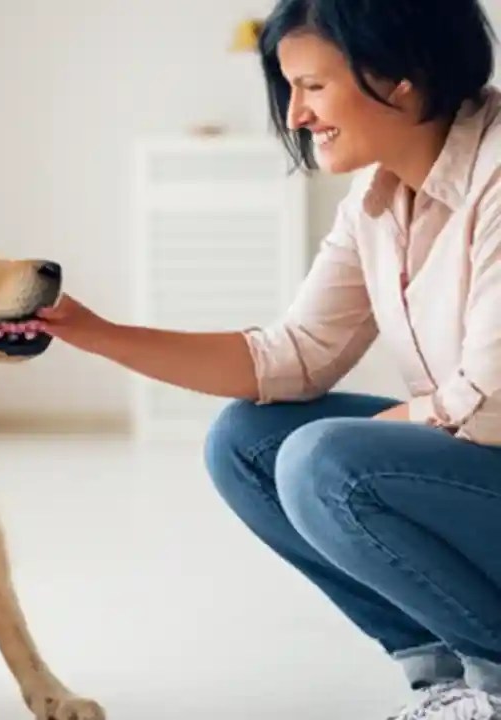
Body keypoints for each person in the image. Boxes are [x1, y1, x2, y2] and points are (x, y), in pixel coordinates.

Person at [37, 0, 501, 717]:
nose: (295, 116)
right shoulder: (379, 198)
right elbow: (292, 357)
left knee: (326, 460)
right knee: (248, 442)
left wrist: (367, 442)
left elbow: (491, 403)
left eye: (312, 86)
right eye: (290, 89)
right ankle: (446, 682)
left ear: (400, 75)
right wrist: (91, 331)